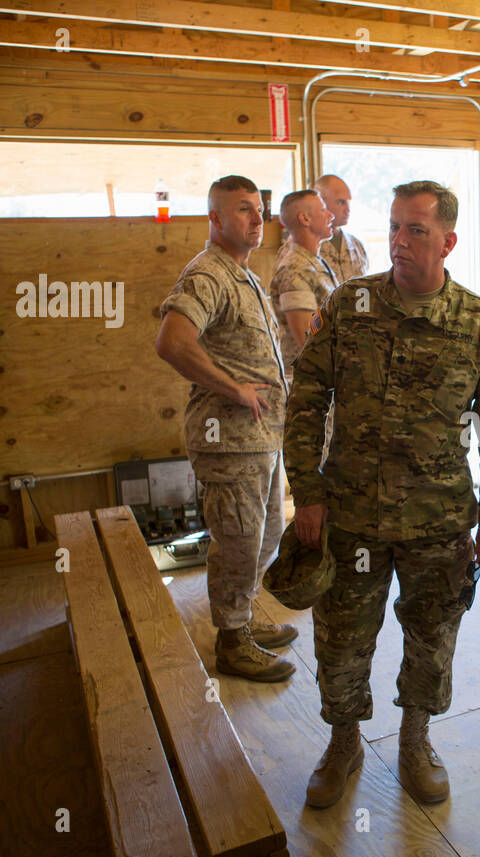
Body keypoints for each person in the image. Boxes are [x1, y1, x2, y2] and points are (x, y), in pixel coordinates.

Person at [285, 180, 480, 809]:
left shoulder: (478, 322)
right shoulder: (349, 305)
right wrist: (306, 491)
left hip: (438, 522)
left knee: (433, 636)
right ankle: (344, 742)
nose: (399, 241)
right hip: (350, 515)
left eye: (415, 229)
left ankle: (416, 739)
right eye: (394, 227)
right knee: (341, 637)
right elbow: (305, 399)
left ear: (448, 241)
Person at [155, 175, 297, 682]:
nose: (257, 219)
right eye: (242, 210)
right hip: (229, 441)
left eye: (259, 209)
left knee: (265, 534)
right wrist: (233, 388)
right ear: (214, 219)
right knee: (238, 539)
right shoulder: (209, 273)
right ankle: (232, 641)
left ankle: (246, 616)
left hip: (260, 439)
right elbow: (172, 342)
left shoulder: (243, 273)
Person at [269, 190, 337, 380]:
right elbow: (307, 339)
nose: (331, 215)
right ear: (305, 219)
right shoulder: (295, 268)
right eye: (323, 210)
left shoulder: (313, 262)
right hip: (309, 380)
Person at [315, 174, 370, 283]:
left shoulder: (356, 246)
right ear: (321, 202)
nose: (347, 210)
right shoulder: (306, 247)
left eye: (348, 202)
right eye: (340, 202)